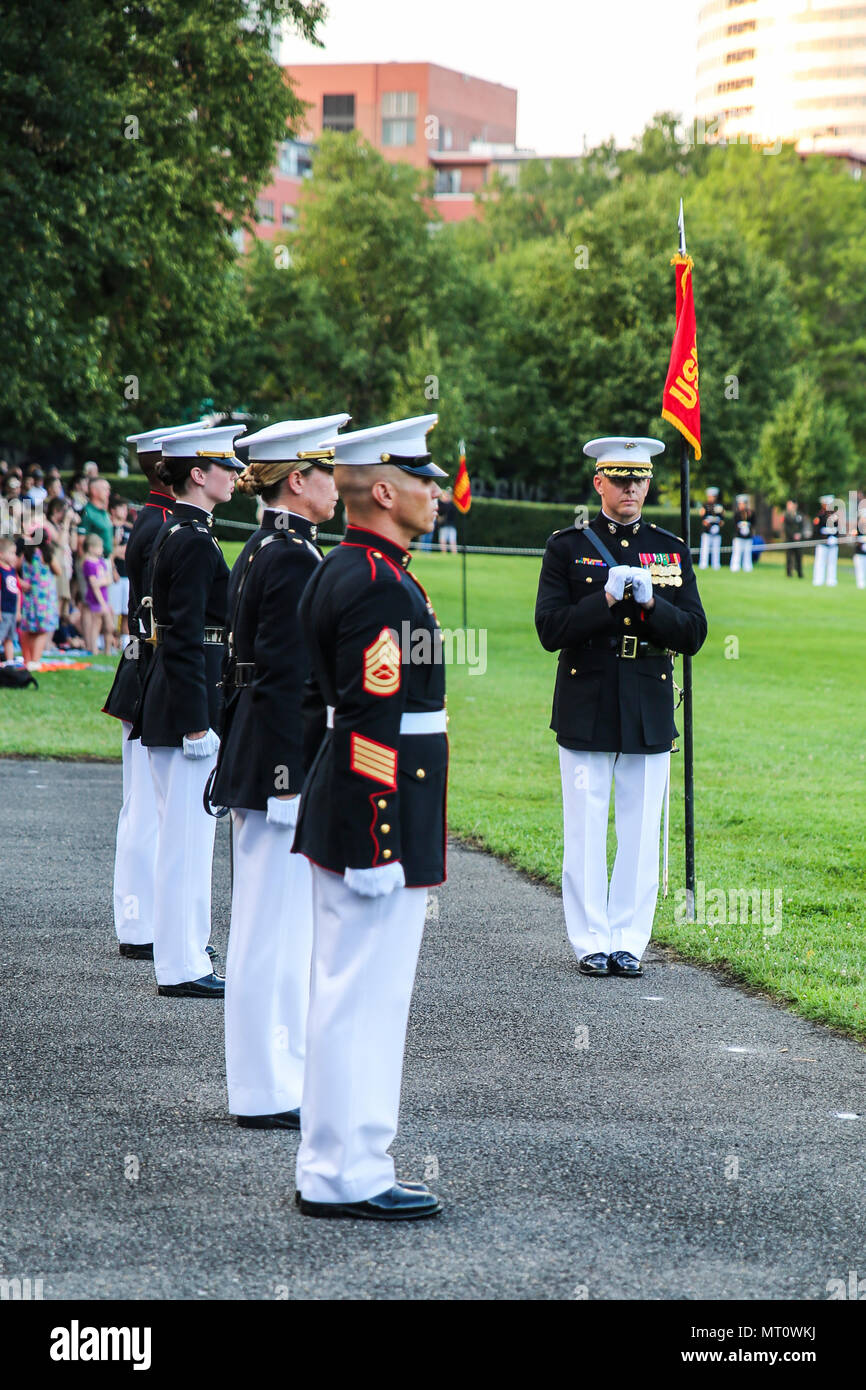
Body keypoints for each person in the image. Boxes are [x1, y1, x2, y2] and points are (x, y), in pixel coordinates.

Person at [292, 413, 447, 1222]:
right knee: (364, 999)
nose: (436, 495)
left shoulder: (350, 568)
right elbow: (368, 722)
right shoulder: (378, 585)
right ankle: (348, 1171)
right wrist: (379, 843)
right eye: (423, 482)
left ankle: (337, 1163)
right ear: (383, 491)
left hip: (352, 807)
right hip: (373, 818)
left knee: (343, 993)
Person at [208, 413, 347, 1133]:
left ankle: (271, 1076)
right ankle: (265, 1086)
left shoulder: (267, 546)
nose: (338, 484)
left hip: (262, 756)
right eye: (328, 471)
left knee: (271, 926)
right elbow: (291, 680)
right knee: (272, 928)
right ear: (299, 480)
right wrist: (296, 779)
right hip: (279, 763)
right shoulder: (292, 557)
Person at [535, 435, 707, 979]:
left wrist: (653, 603)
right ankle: (590, 940)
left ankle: (630, 939)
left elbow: (695, 634)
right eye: (619, 478)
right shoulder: (567, 546)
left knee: (640, 828)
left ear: (650, 483)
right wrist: (604, 600)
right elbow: (550, 629)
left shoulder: (670, 549)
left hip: (648, 698)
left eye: (639, 478)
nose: (630, 487)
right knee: (585, 823)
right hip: (588, 697)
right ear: (599, 483)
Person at [130, 424, 244, 997]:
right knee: (187, 842)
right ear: (197, 474)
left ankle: (184, 953)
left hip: (173, 703)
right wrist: (200, 722)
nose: (234, 472)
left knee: (181, 839)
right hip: (184, 709)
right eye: (223, 465)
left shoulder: (182, 530)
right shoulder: (193, 539)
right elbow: (183, 637)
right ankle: (182, 964)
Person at [102, 422, 205, 961]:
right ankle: (140, 925)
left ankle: (138, 921)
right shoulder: (165, 522)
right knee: (148, 808)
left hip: (142, 664)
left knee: (142, 805)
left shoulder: (151, 518)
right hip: (150, 668)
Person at [19, 521, 60, 669]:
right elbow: (59, 571)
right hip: (45, 597)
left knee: (29, 628)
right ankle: (35, 660)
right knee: (42, 630)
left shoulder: (26, 555)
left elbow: (13, 568)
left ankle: (27, 659)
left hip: (29, 596)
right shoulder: (46, 555)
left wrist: (21, 582)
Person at [80, 533, 115, 654]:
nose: (102, 550)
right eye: (99, 547)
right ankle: (93, 648)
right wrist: (102, 603)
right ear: (91, 548)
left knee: (109, 625)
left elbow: (108, 579)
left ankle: (107, 649)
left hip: (104, 597)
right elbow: (93, 585)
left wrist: (100, 582)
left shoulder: (101, 561)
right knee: (96, 624)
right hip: (96, 599)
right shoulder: (88, 563)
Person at [108, 494, 131, 645]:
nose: (124, 511)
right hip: (115, 574)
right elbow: (110, 552)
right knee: (113, 611)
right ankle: (110, 640)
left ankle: (124, 642)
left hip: (128, 575)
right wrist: (113, 569)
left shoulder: (130, 528)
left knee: (127, 611)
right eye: (121, 508)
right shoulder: (109, 527)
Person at [0, 536, 21, 662]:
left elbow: (17, 592)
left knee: (9, 638)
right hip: (3, 611)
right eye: (11, 553)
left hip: (12, 611)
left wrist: (18, 611)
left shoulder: (12, 570)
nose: (15, 556)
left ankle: (10, 661)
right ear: (1, 554)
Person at [812, 494, 839, 586]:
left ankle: (831, 580)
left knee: (832, 562)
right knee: (820, 561)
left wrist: (834, 537)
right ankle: (818, 580)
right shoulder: (820, 516)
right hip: (822, 543)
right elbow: (816, 530)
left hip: (833, 543)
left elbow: (839, 529)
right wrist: (825, 536)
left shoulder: (835, 516)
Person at [698, 486, 724, 570]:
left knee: (716, 549)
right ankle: (703, 564)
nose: (712, 498)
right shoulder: (705, 505)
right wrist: (708, 525)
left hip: (716, 531)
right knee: (705, 548)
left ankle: (716, 565)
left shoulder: (719, 506)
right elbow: (703, 518)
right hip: (707, 531)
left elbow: (722, 519)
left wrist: (718, 525)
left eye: (714, 496)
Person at [730, 494, 755, 572]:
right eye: (740, 504)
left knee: (747, 553)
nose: (742, 505)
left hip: (747, 537)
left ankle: (747, 567)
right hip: (738, 536)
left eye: (744, 503)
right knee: (737, 552)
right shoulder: (737, 514)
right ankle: (735, 567)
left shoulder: (750, 513)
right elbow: (734, 524)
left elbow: (753, 524)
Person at [783, 499, 804, 578]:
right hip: (789, 539)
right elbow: (786, 527)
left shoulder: (799, 515)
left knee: (799, 557)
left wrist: (799, 534)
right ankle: (789, 573)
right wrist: (793, 535)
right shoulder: (786, 515)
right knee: (789, 557)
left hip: (798, 540)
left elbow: (802, 526)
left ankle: (799, 573)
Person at [437, 487, 459, 554]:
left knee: (452, 540)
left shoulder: (451, 505)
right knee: (443, 540)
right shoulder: (443, 504)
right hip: (444, 525)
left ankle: (453, 553)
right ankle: (444, 553)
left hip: (450, 525)